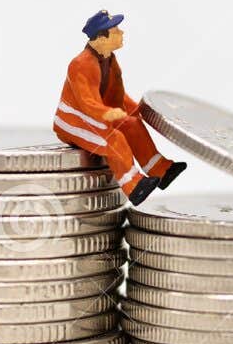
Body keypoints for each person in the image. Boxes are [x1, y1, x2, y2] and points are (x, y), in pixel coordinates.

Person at [52, 11, 186, 205]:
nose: (122, 33)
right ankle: (133, 185)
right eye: (116, 30)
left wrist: (138, 110)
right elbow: (87, 101)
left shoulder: (110, 59)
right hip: (73, 119)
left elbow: (118, 95)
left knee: (132, 125)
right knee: (114, 138)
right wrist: (107, 113)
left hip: (99, 113)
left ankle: (161, 170)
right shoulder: (80, 64)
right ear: (101, 37)